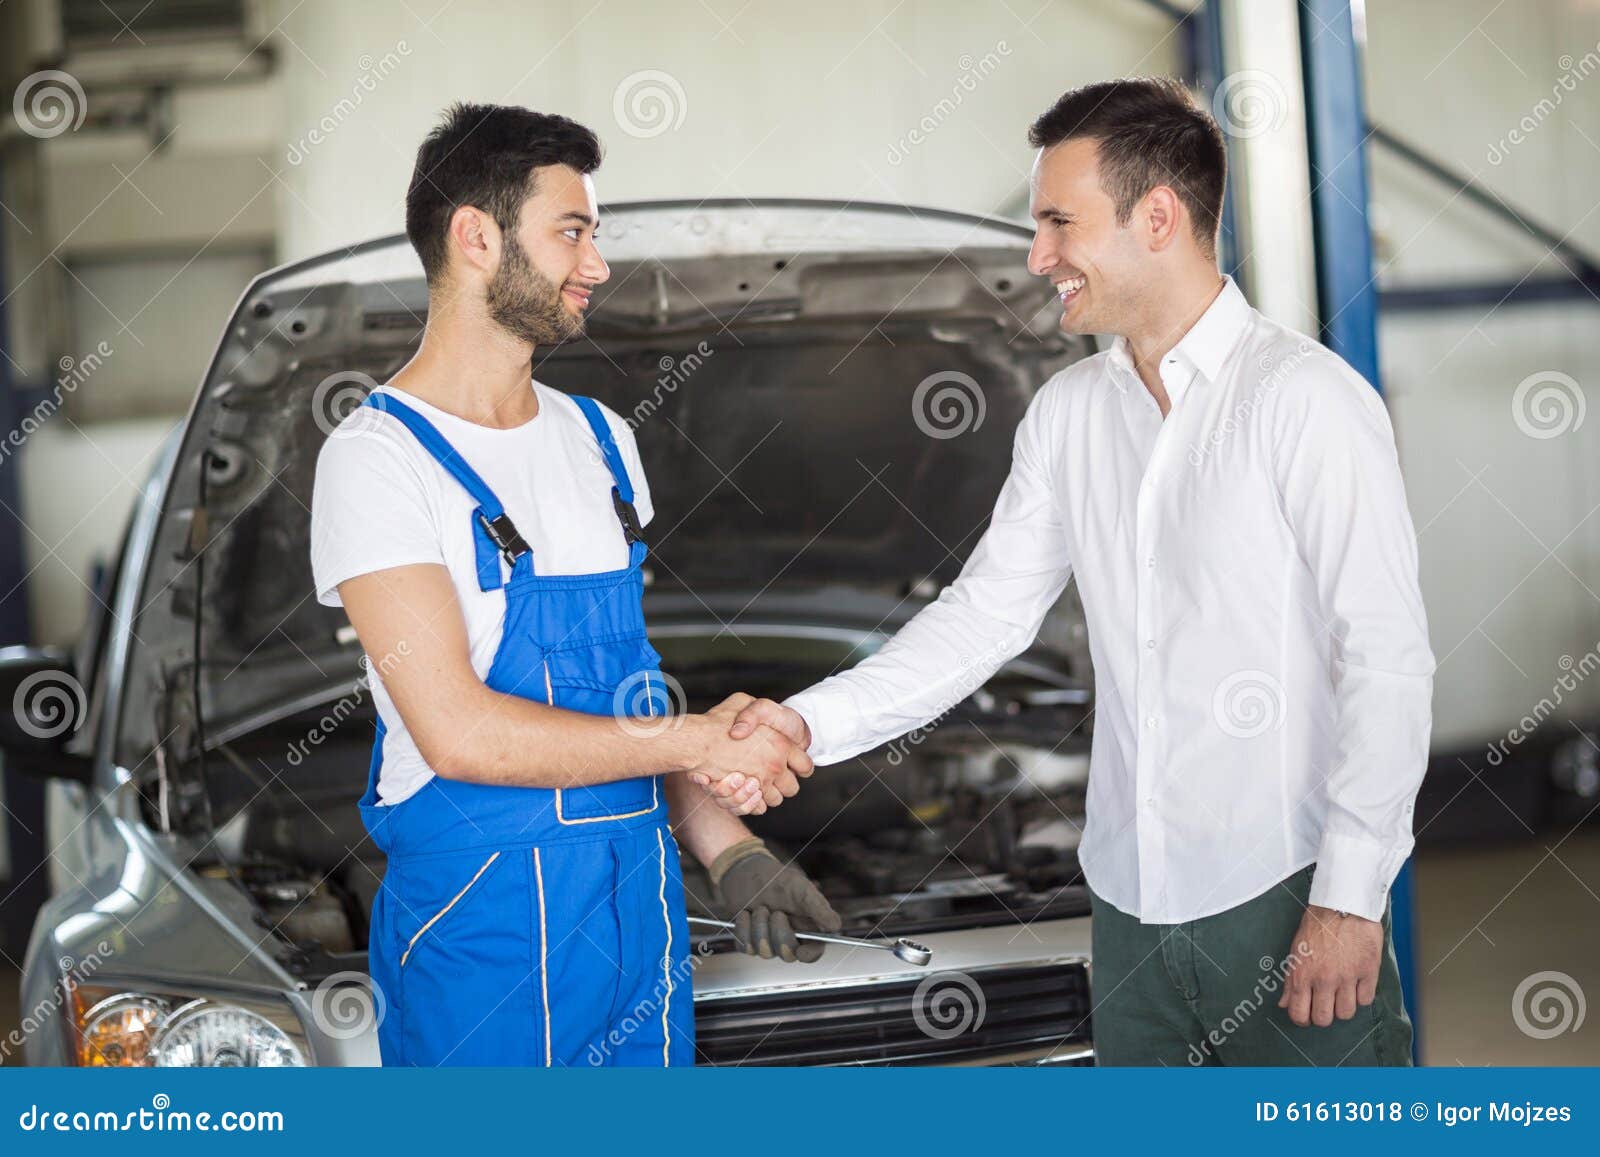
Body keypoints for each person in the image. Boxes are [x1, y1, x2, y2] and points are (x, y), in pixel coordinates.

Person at [717, 78, 1431, 1066]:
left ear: (1157, 217)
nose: (1037, 256)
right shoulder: (1069, 412)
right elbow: (984, 616)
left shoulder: (1305, 400)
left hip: (1282, 889)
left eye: (1059, 222)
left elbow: (1387, 661)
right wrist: (807, 723)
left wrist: (1349, 897)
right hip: (1129, 903)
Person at [309, 102, 839, 1067]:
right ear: (476, 237)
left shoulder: (601, 439)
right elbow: (460, 732)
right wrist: (702, 736)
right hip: (483, 928)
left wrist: (729, 848)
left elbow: (624, 697)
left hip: (638, 909)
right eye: (572, 232)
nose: (595, 265)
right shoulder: (379, 459)